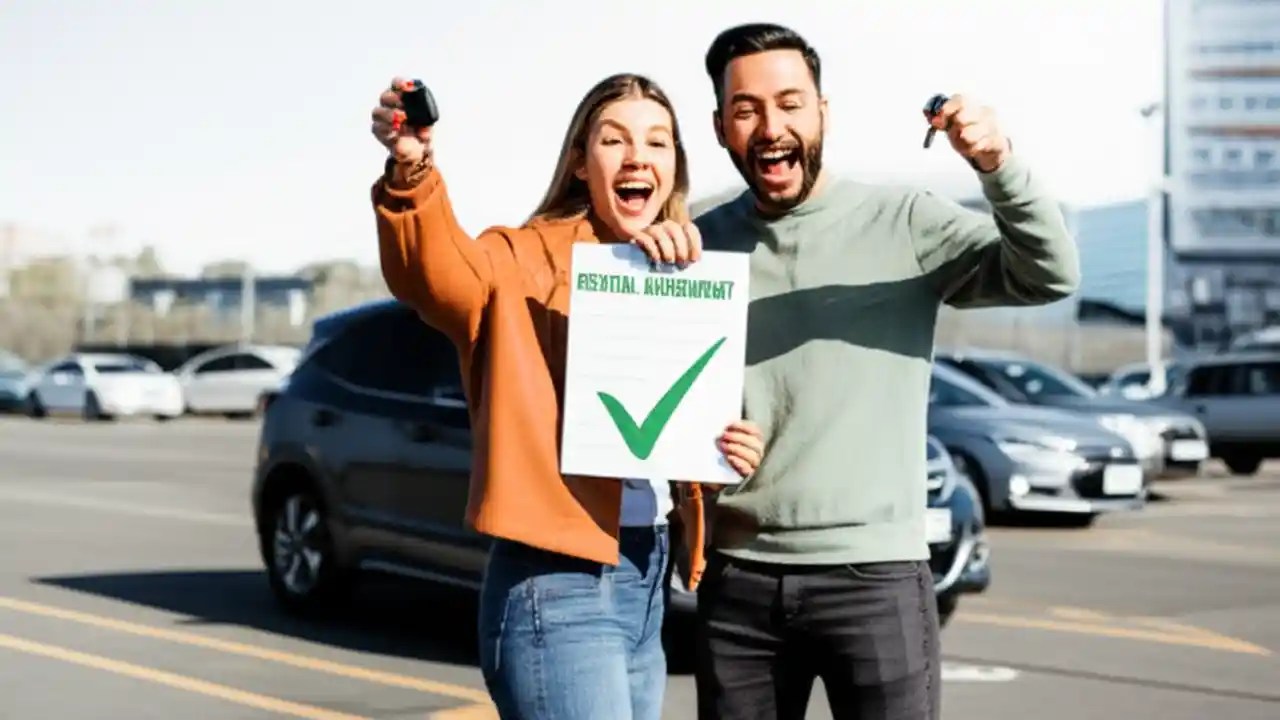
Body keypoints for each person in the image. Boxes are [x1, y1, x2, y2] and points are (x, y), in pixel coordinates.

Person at [631, 22, 1080, 720]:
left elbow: (1050, 272)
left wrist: (999, 165)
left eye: (789, 103)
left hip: (877, 581)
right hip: (739, 586)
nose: (770, 126)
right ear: (721, 127)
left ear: (822, 114)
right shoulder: (696, 246)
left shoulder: (903, 221)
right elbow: (639, 407)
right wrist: (643, 256)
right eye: (746, 110)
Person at [368, 72, 766, 720]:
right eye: (615, 140)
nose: (639, 156)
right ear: (581, 163)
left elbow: (666, 438)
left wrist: (726, 452)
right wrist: (412, 172)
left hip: (647, 575)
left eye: (658, 143)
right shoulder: (519, 260)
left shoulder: (684, 272)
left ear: (674, 168)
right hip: (555, 586)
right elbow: (434, 276)